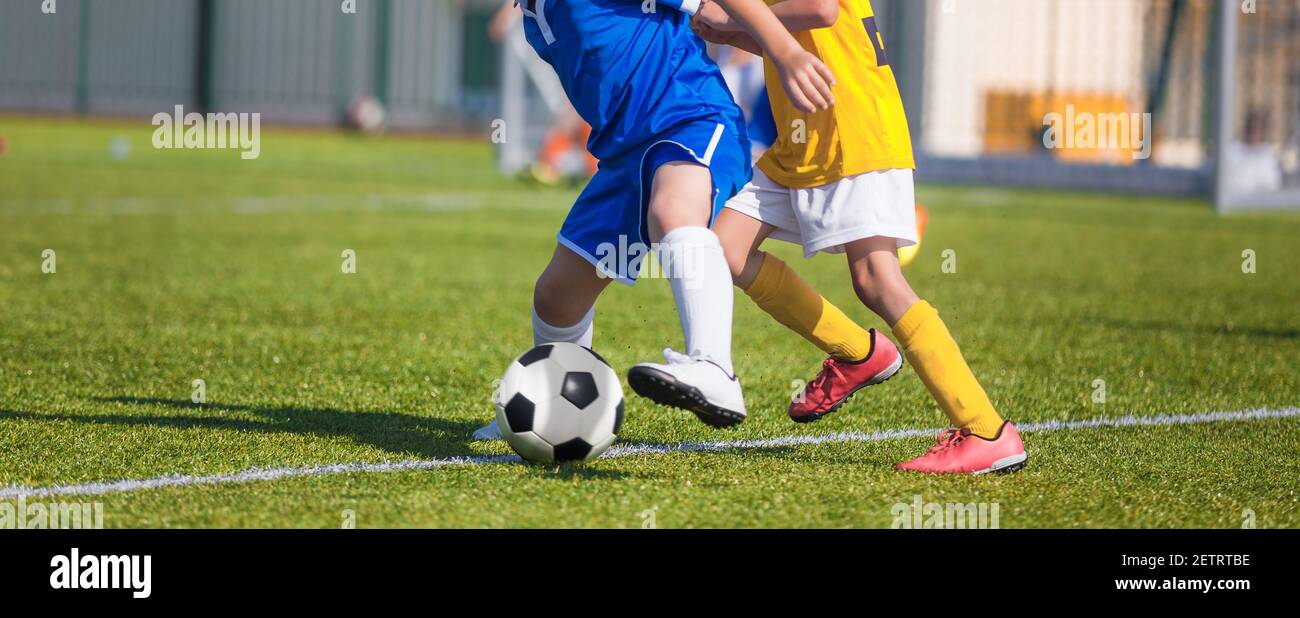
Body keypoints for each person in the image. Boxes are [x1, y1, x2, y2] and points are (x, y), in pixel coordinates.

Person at [474, 0, 836, 440]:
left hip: (691, 121)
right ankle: (558, 411)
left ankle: (714, 368)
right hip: (624, 157)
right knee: (556, 296)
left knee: (672, 211)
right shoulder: (535, 14)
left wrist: (783, 50)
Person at [695, 0, 1027, 473]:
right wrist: (735, 35)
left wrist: (735, 21)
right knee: (724, 247)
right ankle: (859, 353)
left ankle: (985, 430)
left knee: (877, 280)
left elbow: (821, 9)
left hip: (851, 128)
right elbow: (794, 37)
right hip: (804, 139)